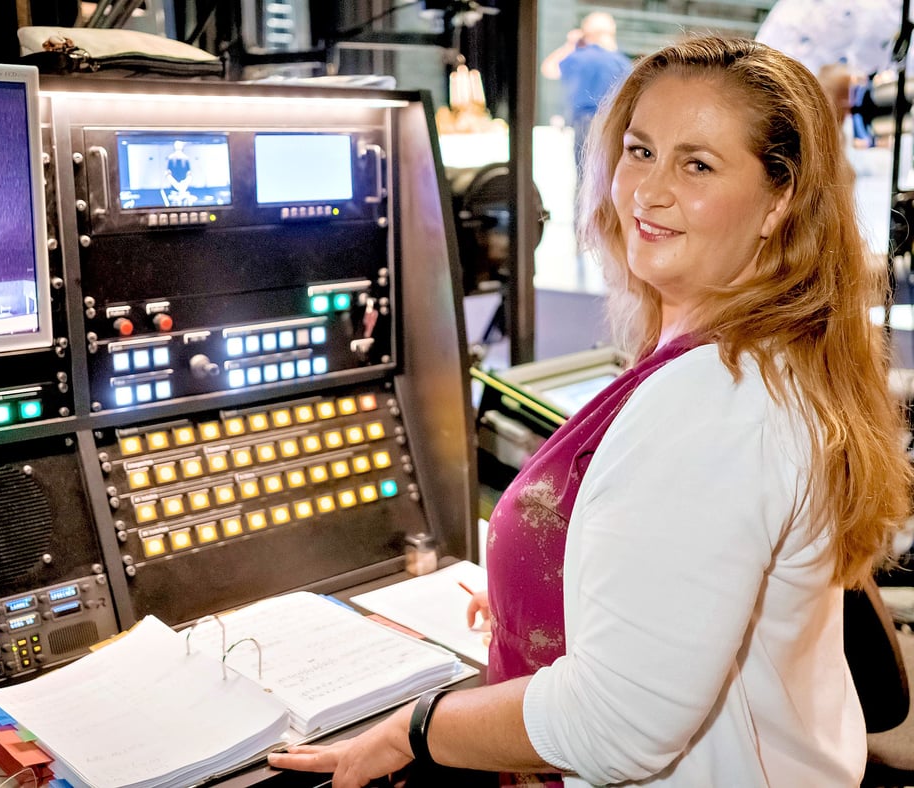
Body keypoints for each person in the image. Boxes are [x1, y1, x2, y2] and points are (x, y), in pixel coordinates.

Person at [268, 34, 913, 788]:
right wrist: (545, 580)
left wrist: (414, 729)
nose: (648, 190)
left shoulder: (719, 398)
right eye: (640, 151)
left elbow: (617, 724)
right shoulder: (758, 349)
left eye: (697, 164)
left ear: (780, 199)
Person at [541, 12, 631, 227]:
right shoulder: (620, 61)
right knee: (610, 172)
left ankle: (581, 224)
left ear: (585, 33)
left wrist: (571, 43)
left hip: (585, 123)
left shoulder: (579, 57)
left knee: (583, 174)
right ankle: (609, 221)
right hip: (613, 122)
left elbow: (549, 68)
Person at [163, 139, 193, 205]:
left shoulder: (186, 158)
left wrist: (185, 183)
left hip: (184, 187)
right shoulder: (171, 158)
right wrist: (175, 184)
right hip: (173, 188)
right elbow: (168, 173)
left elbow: (189, 173)